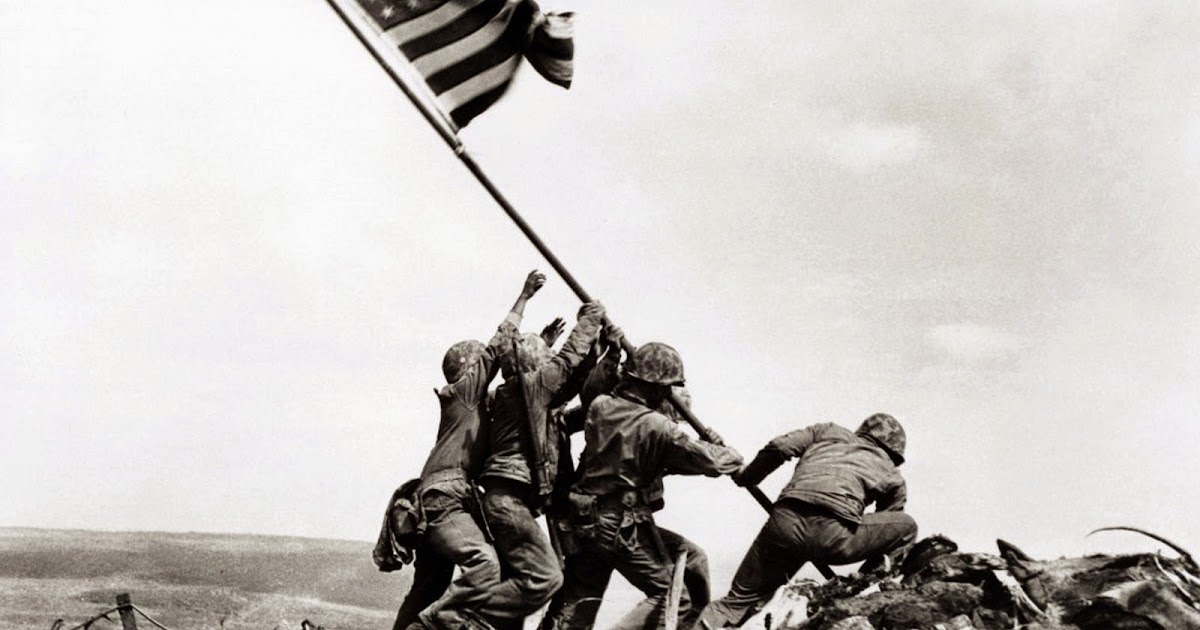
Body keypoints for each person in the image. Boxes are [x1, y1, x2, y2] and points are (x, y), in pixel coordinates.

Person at [543, 342, 744, 630]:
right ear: (655, 386)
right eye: (666, 387)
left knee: (579, 606)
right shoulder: (656, 426)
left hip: (584, 521)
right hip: (619, 525)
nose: (667, 394)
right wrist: (728, 452)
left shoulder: (601, 407)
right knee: (673, 597)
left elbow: (660, 459)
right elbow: (711, 462)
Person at [394, 270, 546, 630]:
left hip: (439, 499)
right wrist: (523, 298)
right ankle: (440, 624)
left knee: (429, 584)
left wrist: (538, 345)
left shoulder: (475, 406)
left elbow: (515, 375)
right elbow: (497, 348)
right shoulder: (463, 395)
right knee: (487, 564)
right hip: (445, 499)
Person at [696, 413, 918, 630]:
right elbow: (887, 526)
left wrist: (748, 477)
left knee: (736, 601)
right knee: (907, 527)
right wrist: (861, 580)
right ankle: (867, 586)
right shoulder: (891, 472)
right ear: (893, 452)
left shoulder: (826, 431)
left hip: (784, 524)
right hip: (833, 537)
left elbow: (779, 447)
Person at [474, 301, 608, 628]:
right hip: (511, 500)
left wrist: (602, 353)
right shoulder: (531, 388)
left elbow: (573, 384)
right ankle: (460, 618)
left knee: (519, 589)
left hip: (507, 499)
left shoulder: (513, 396)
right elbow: (566, 363)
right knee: (546, 577)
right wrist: (590, 320)